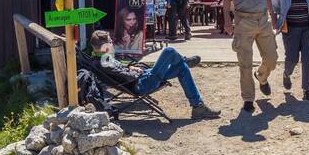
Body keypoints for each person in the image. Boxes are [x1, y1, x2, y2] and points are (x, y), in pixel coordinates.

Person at [90, 30, 220, 119]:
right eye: (110, 42)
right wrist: (135, 72)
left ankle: (198, 106)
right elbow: (125, 76)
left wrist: (131, 67)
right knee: (169, 51)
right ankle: (184, 59)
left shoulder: (100, 58)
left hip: (140, 79)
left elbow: (119, 72)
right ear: (105, 46)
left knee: (182, 68)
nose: (112, 43)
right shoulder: (105, 61)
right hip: (142, 84)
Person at [224, 0, 277, 114]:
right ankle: (248, 98)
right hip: (243, 21)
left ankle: (262, 76)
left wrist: (273, 15)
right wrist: (226, 20)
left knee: (272, 58)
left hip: (263, 20)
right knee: (245, 64)